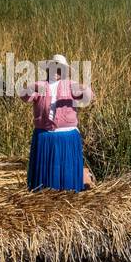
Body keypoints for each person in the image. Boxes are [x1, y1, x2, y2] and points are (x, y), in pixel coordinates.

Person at [20, 53, 95, 191]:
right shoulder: (41, 85)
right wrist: (30, 87)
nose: (57, 72)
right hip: (44, 134)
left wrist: (84, 88)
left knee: (66, 168)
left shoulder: (70, 85)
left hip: (66, 135)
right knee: (46, 169)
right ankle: (44, 193)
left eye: (60, 69)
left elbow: (89, 97)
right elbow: (24, 97)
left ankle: (68, 193)